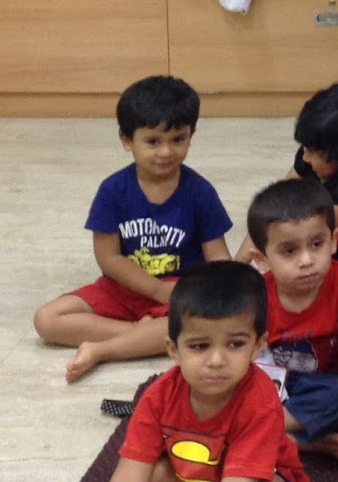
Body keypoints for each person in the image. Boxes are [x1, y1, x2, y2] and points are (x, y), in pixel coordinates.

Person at [34, 75, 233, 383]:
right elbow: (108, 257)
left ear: (191, 136)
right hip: (124, 287)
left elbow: (217, 255)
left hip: (179, 292)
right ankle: (141, 338)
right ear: (127, 141)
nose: (166, 152)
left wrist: (216, 294)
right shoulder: (113, 190)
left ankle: (102, 350)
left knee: (196, 322)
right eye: (153, 141)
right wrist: (154, 290)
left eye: (178, 139)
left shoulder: (200, 191)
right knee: (46, 320)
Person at [110, 260, 308, 482]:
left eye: (235, 344)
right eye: (200, 346)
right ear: (174, 350)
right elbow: (131, 469)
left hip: (258, 474)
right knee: (156, 473)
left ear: (257, 347)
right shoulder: (159, 397)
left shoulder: (260, 404)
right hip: (193, 472)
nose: (216, 361)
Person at [249, 179, 338, 465]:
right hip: (268, 384)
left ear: (333, 240)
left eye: (317, 244)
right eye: (289, 251)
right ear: (262, 258)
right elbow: (244, 355)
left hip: (320, 387)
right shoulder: (257, 294)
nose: (307, 260)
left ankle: (252, 431)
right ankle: (297, 441)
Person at [235, 79, 338, 314]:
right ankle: (310, 305)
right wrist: (236, 268)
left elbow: (303, 230)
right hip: (305, 257)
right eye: (305, 148)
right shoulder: (311, 157)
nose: (305, 157)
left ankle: (312, 310)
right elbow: (276, 203)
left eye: (313, 152)